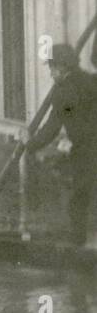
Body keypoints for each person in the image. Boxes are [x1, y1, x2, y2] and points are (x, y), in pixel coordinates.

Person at [26, 42, 97, 246]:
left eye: (52, 68)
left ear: (62, 67)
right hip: (88, 145)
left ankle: (77, 245)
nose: (51, 74)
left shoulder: (63, 92)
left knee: (78, 198)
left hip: (88, 149)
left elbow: (51, 127)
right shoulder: (89, 80)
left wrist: (29, 145)